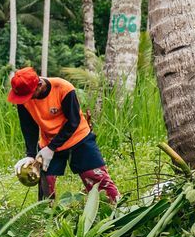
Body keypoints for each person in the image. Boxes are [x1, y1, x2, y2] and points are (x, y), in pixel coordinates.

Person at [7, 67, 120, 203]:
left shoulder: (63, 88)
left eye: (30, 95)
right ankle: (47, 220)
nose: (27, 99)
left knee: (97, 179)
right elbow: (28, 127)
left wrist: (51, 148)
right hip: (48, 142)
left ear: (39, 85)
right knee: (46, 187)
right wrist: (30, 155)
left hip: (78, 138)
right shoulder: (24, 97)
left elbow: (73, 121)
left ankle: (117, 210)